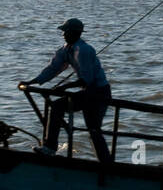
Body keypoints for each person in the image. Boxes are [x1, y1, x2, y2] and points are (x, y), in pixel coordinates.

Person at [20, 18, 113, 162]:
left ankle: (51, 148)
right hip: (88, 92)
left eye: (65, 32)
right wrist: (33, 82)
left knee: (90, 126)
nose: (63, 35)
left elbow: (86, 80)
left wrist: (65, 87)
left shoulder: (83, 50)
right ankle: (105, 161)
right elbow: (53, 68)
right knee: (91, 127)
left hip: (99, 92)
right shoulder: (66, 49)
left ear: (75, 33)